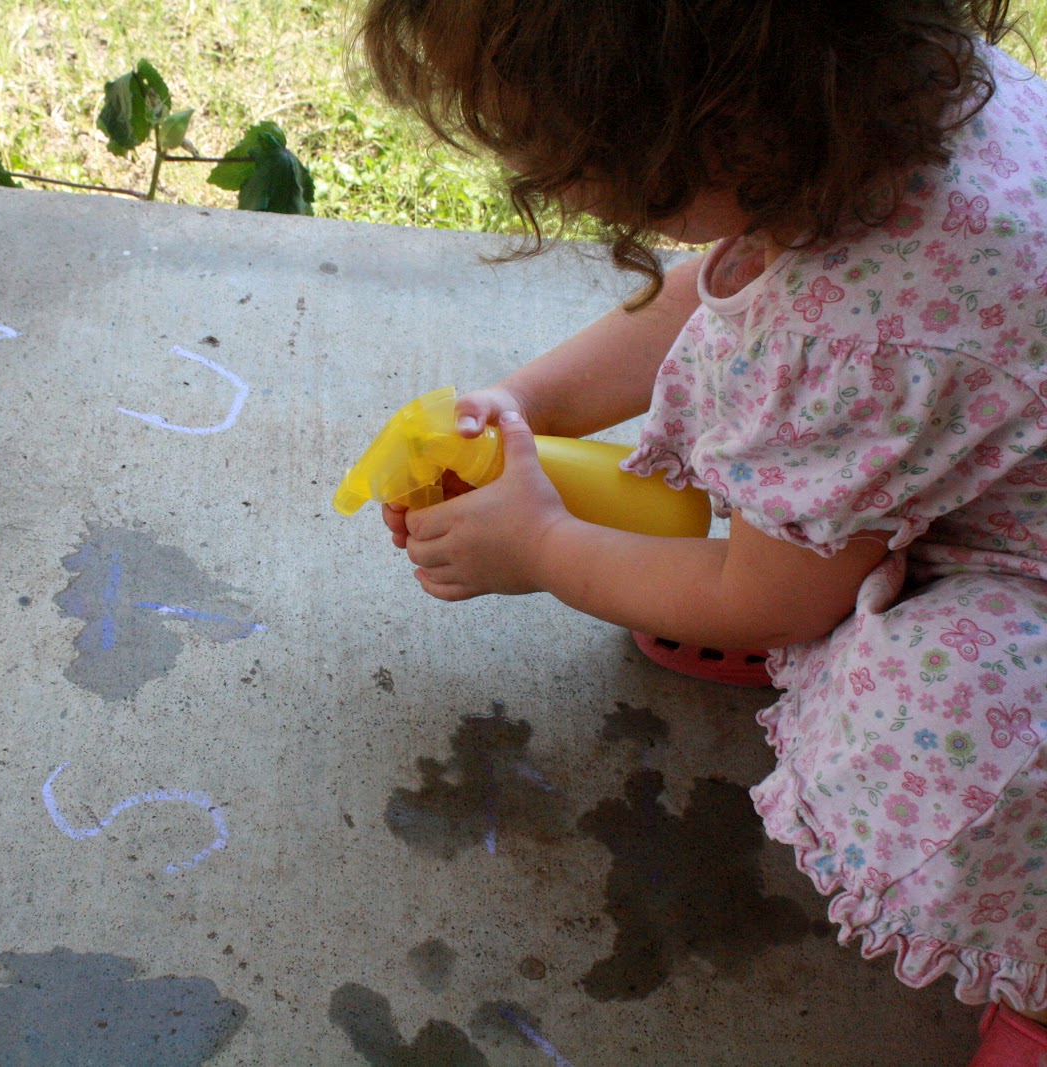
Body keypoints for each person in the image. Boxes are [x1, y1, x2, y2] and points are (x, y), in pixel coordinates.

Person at [358, 1, 1047, 1060]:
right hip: (994, 457)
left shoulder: (857, 330)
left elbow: (775, 595)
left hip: (1022, 571)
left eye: (584, 169)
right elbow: (709, 291)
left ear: (718, 135)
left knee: (940, 711)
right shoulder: (889, 109)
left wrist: (542, 547)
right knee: (786, 481)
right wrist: (526, 399)